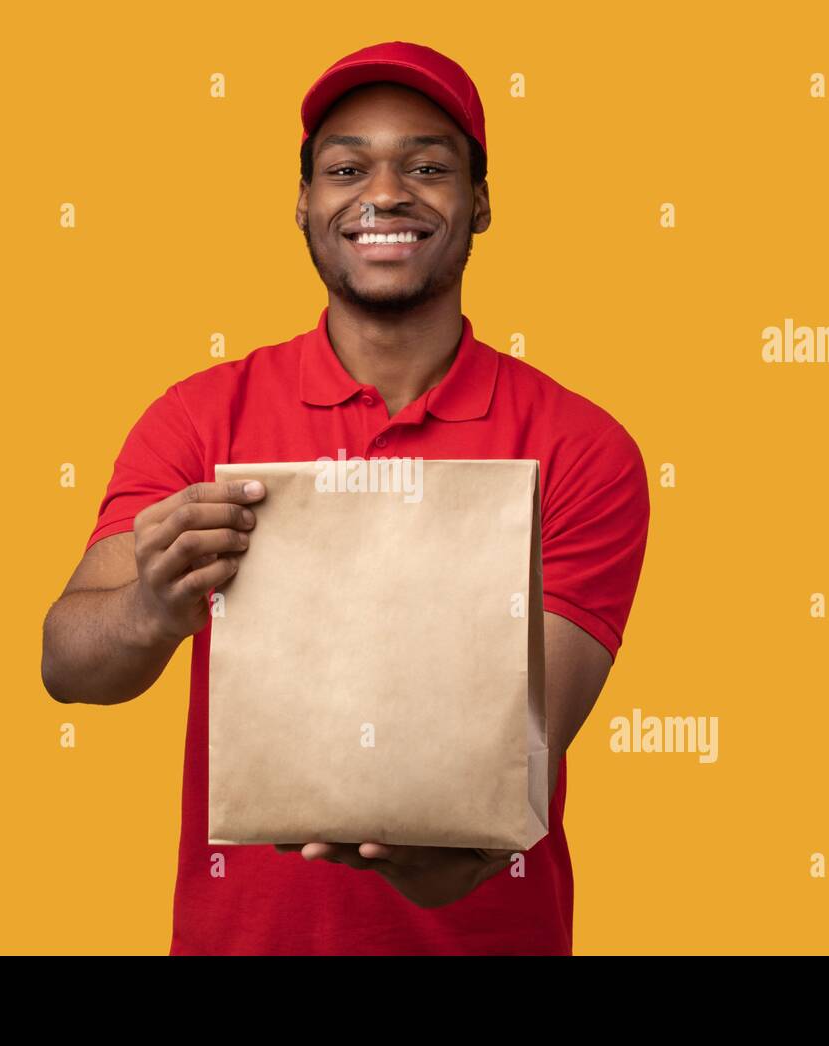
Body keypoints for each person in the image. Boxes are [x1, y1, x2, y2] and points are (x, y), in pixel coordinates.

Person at [41, 40, 650, 955]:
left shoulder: (581, 448)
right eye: (346, 166)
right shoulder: (200, 419)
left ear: (479, 203)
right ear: (304, 204)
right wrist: (152, 604)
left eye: (429, 165)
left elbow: (527, 745)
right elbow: (67, 664)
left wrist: (466, 851)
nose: (387, 192)